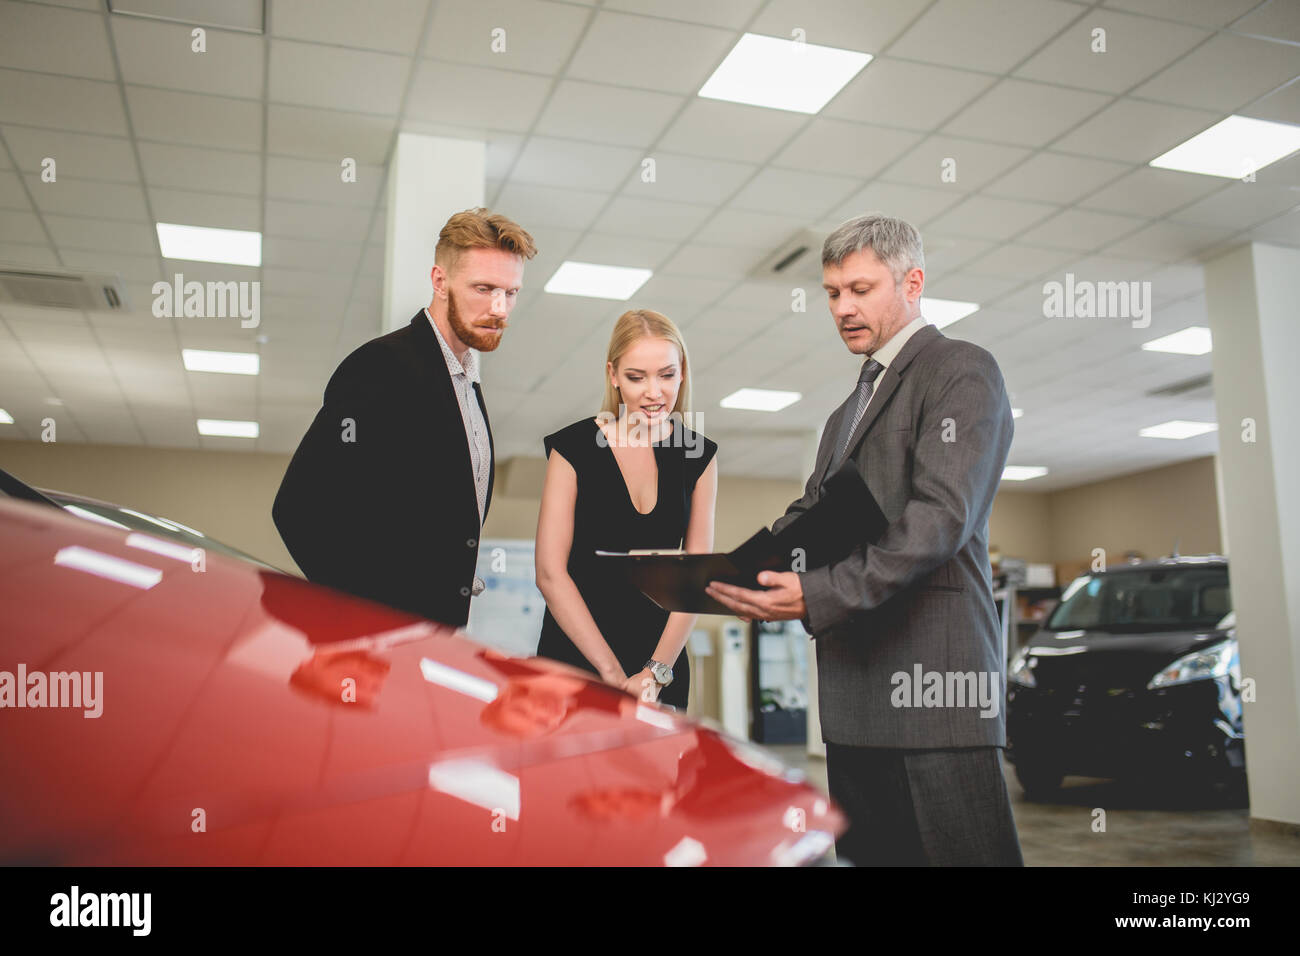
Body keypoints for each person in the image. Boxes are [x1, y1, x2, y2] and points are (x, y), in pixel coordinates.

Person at [705, 214, 1022, 866]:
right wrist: (733, 573)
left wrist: (816, 594)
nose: (843, 307)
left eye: (860, 288)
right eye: (831, 293)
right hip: (854, 698)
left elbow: (938, 518)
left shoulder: (959, 371)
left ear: (913, 282)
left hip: (935, 694)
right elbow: (814, 516)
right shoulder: (842, 413)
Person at [273, 207, 537, 628]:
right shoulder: (380, 366)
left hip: (437, 637)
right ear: (440, 281)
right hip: (379, 639)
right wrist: (367, 621)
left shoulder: (466, 383)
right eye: (484, 288)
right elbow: (297, 508)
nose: (500, 308)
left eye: (511, 292)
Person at [534, 310, 718, 709]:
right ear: (613, 375)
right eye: (637, 377)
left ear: (682, 372)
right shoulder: (573, 448)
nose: (654, 392)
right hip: (575, 662)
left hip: (660, 667)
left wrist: (655, 672)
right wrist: (614, 677)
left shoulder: (699, 456)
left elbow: (696, 575)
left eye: (666, 375)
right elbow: (550, 574)